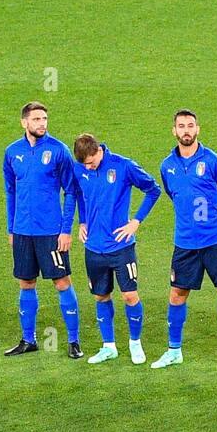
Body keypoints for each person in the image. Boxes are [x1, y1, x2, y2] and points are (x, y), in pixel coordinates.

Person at [151, 109, 217, 371]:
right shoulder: (166, 165)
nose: (186, 131)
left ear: (198, 129)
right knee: (177, 294)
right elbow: (174, 194)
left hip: (215, 240)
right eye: (181, 126)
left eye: (190, 126)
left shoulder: (214, 161)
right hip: (184, 242)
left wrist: (209, 215)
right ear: (174, 131)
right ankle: (174, 351)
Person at [71, 133, 161, 364]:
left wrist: (136, 221)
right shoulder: (80, 168)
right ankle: (108, 346)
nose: (88, 168)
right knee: (101, 296)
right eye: (85, 165)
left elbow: (153, 190)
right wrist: (82, 221)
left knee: (130, 296)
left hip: (121, 247)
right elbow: (79, 193)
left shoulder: (124, 166)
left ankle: (135, 343)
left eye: (91, 163)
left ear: (98, 151)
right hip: (94, 247)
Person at [2, 103, 83, 358]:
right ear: (24, 122)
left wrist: (66, 230)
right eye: (36, 119)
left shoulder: (58, 150)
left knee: (62, 281)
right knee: (26, 282)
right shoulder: (12, 152)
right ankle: (29, 339)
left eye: (45, 118)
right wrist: (11, 228)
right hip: (23, 231)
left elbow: (71, 191)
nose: (42, 123)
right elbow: (10, 192)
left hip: (51, 231)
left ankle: (73, 341)